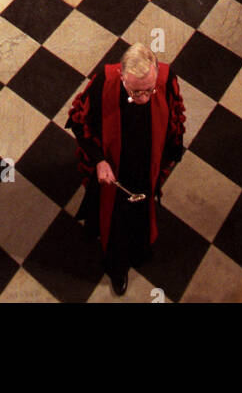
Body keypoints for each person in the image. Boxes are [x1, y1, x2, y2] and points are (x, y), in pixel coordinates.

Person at [67, 42, 185, 297]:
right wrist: (99, 160)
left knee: (144, 212)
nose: (143, 99)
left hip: (147, 167)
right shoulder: (103, 82)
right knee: (115, 223)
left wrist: (172, 155)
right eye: (135, 91)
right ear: (122, 76)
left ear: (156, 73)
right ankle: (117, 268)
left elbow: (174, 119)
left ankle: (140, 249)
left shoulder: (166, 79)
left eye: (149, 91)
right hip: (113, 169)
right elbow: (78, 122)